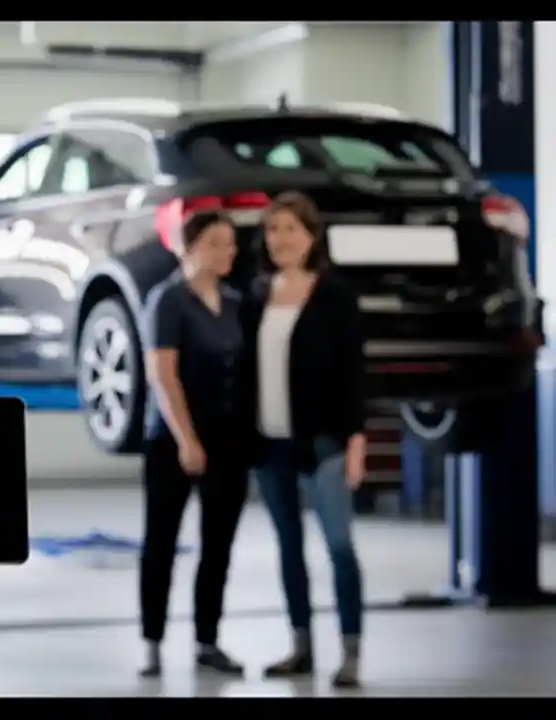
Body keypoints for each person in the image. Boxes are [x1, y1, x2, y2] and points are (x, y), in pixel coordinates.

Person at [242, 190, 367, 688]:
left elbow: (355, 374)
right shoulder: (256, 296)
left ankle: (351, 651)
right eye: (272, 230)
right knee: (288, 547)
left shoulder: (336, 295)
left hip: (325, 442)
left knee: (339, 545)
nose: (280, 239)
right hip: (271, 444)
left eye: (290, 229)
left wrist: (356, 441)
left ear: (311, 236)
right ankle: (301, 647)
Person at [137, 210, 250, 677]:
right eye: (218, 243)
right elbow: (163, 374)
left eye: (232, 244)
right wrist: (187, 440)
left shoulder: (235, 301)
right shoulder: (168, 300)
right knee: (162, 541)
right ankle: (152, 641)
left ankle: (208, 640)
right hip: (174, 441)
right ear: (191, 246)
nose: (229, 252)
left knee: (217, 545)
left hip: (228, 441)